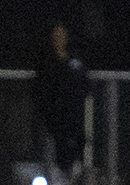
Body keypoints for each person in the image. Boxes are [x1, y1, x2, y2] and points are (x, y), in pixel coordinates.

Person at [33, 22, 90, 173]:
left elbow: (84, 82)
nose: (59, 38)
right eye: (56, 36)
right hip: (55, 120)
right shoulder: (46, 61)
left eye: (62, 35)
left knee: (77, 156)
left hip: (75, 118)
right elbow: (41, 89)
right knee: (56, 159)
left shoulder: (75, 58)